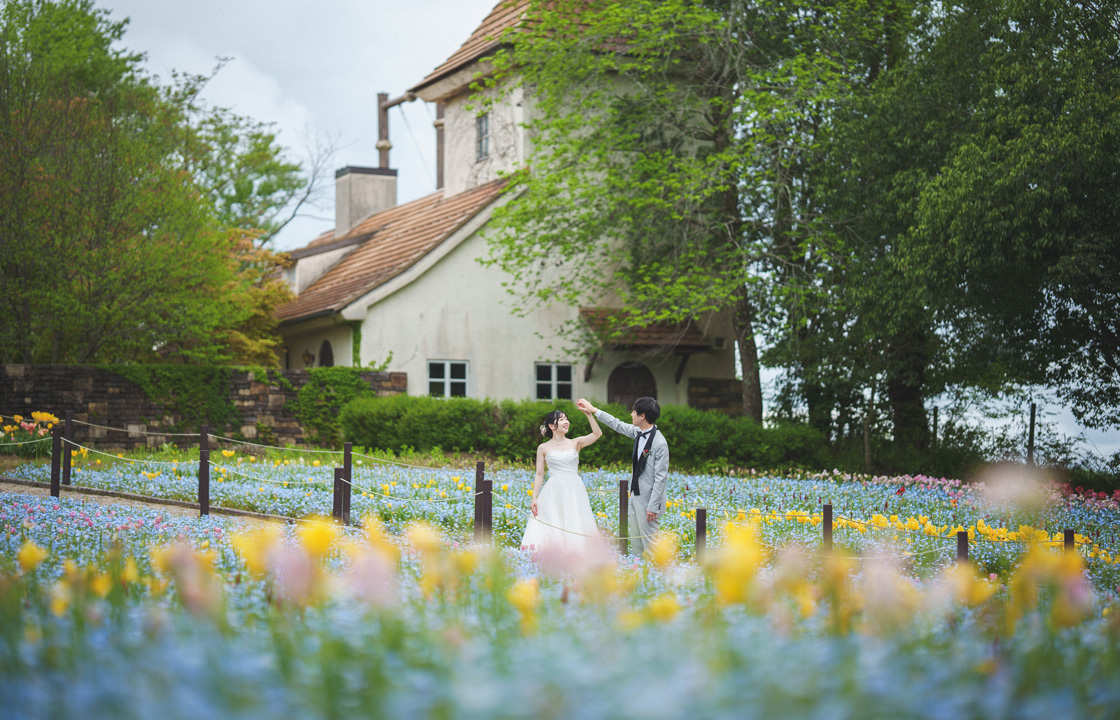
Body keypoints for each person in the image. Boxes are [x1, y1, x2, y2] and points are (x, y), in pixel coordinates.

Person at [576, 397, 668, 556]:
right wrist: (593, 410)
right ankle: (640, 576)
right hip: (635, 496)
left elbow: (661, 478)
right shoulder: (638, 433)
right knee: (636, 544)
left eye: (634, 411)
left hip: (649, 503)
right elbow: (616, 424)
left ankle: (658, 578)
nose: (631, 414)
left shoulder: (660, 443)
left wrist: (653, 507)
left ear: (642, 416)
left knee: (651, 546)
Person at [518, 406, 604, 554]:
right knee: (552, 522)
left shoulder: (575, 443)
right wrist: (534, 497)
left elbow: (597, 433)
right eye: (562, 419)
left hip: (574, 488)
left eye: (566, 419)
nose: (566, 422)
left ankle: (576, 553)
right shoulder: (543, 448)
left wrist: (589, 414)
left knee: (574, 517)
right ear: (552, 426)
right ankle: (553, 555)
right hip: (553, 489)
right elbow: (539, 474)